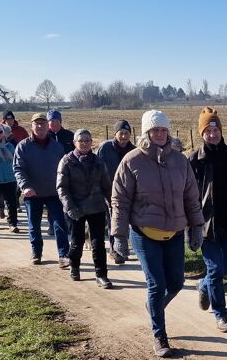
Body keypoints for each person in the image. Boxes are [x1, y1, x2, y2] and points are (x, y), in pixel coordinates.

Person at [110, 110, 203, 357]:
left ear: (168, 132)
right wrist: (118, 236)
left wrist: (197, 227)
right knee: (156, 283)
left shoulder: (180, 161)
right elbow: (120, 201)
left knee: (176, 282)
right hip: (143, 232)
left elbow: (191, 197)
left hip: (173, 232)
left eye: (163, 130)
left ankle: (155, 308)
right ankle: (159, 335)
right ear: (146, 133)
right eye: (155, 130)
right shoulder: (132, 161)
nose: (160, 134)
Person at [187, 107, 227, 333]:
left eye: (216, 129)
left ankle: (203, 285)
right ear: (202, 134)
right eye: (208, 130)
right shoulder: (194, 160)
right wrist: (191, 226)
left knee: (223, 268)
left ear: (221, 131)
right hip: (205, 224)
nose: (213, 134)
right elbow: (188, 195)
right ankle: (221, 315)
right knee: (215, 269)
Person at [56, 129, 113, 289]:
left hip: (96, 207)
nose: (85, 143)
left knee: (98, 243)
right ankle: (74, 266)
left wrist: (112, 203)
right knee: (77, 241)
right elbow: (62, 188)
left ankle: (101, 275)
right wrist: (70, 207)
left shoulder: (98, 161)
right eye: (81, 140)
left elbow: (106, 185)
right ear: (75, 143)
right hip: (76, 208)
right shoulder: (67, 161)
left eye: (88, 140)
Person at [13, 113, 70, 266]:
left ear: (48, 126)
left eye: (43, 124)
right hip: (33, 193)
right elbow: (18, 168)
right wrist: (25, 186)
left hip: (54, 193)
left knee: (60, 224)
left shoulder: (57, 146)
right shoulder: (23, 146)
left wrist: (65, 187)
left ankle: (64, 255)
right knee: (34, 225)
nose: (40, 126)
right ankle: (36, 253)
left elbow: (64, 168)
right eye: (36, 124)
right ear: (32, 126)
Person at [98, 119, 137, 263]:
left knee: (130, 222)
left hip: (129, 192)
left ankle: (126, 248)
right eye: (121, 133)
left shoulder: (133, 150)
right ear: (115, 134)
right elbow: (98, 168)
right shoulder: (105, 148)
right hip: (110, 191)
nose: (124, 137)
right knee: (114, 221)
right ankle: (116, 251)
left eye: (127, 133)